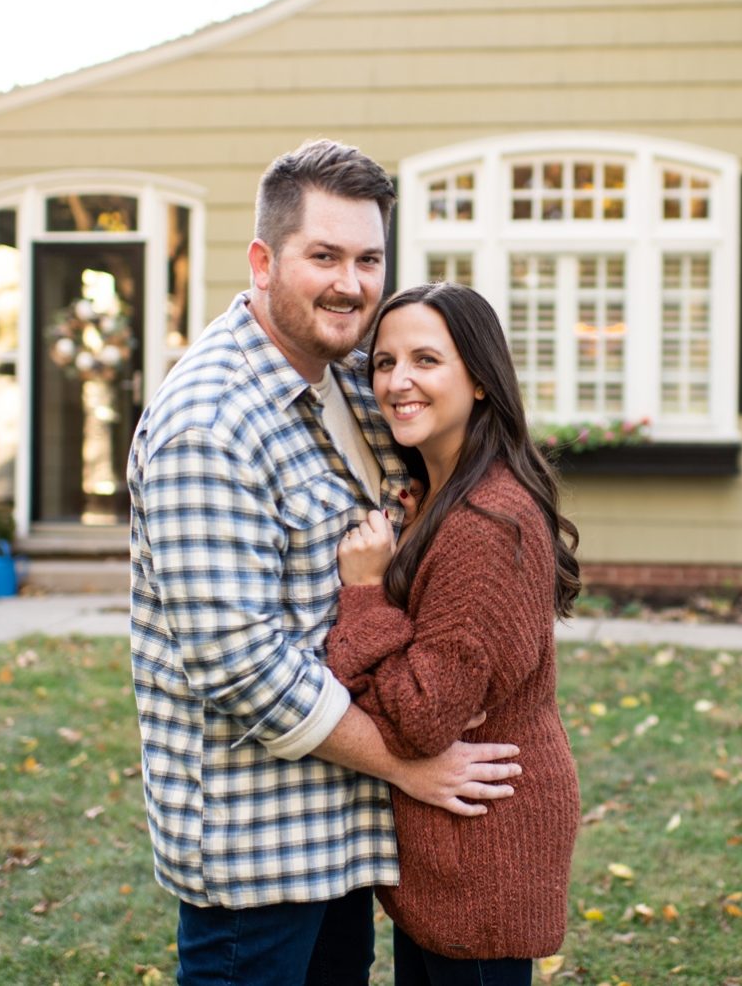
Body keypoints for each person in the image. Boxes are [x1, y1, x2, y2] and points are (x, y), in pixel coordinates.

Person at [128, 141, 524, 986]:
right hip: (258, 848)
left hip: (342, 836)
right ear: (264, 261)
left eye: (369, 258)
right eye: (325, 256)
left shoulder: (351, 380)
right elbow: (244, 668)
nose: (352, 282)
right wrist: (409, 764)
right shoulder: (211, 422)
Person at [326, 282, 583, 986]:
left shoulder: (485, 523)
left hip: (485, 847)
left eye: (425, 360)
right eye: (383, 362)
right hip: (453, 847)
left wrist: (367, 592)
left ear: (479, 380)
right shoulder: (439, 497)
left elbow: (424, 716)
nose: (398, 382)